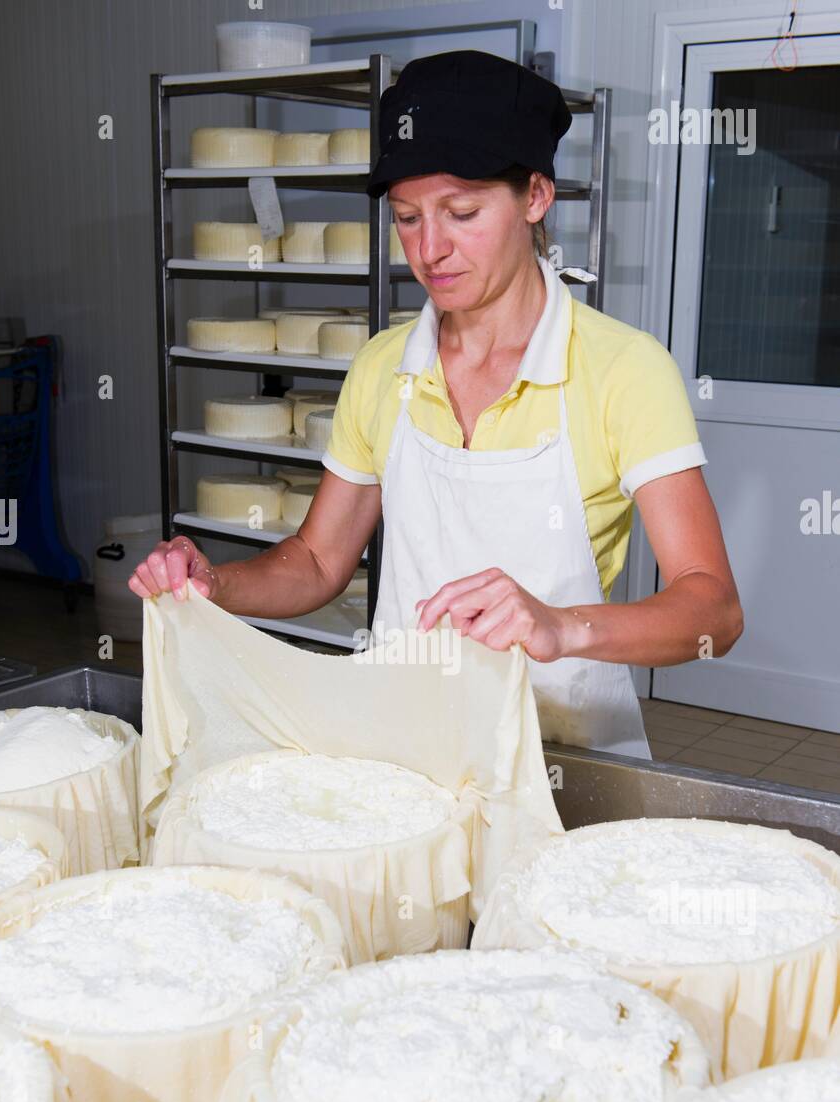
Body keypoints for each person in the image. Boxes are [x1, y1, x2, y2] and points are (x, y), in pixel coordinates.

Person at [129, 49, 742, 757]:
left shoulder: (623, 370)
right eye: (408, 217)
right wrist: (214, 584)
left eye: (462, 212)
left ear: (535, 198)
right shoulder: (383, 367)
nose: (431, 249)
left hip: (562, 753)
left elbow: (714, 609)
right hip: (405, 742)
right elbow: (317, 563)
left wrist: (559, 626)